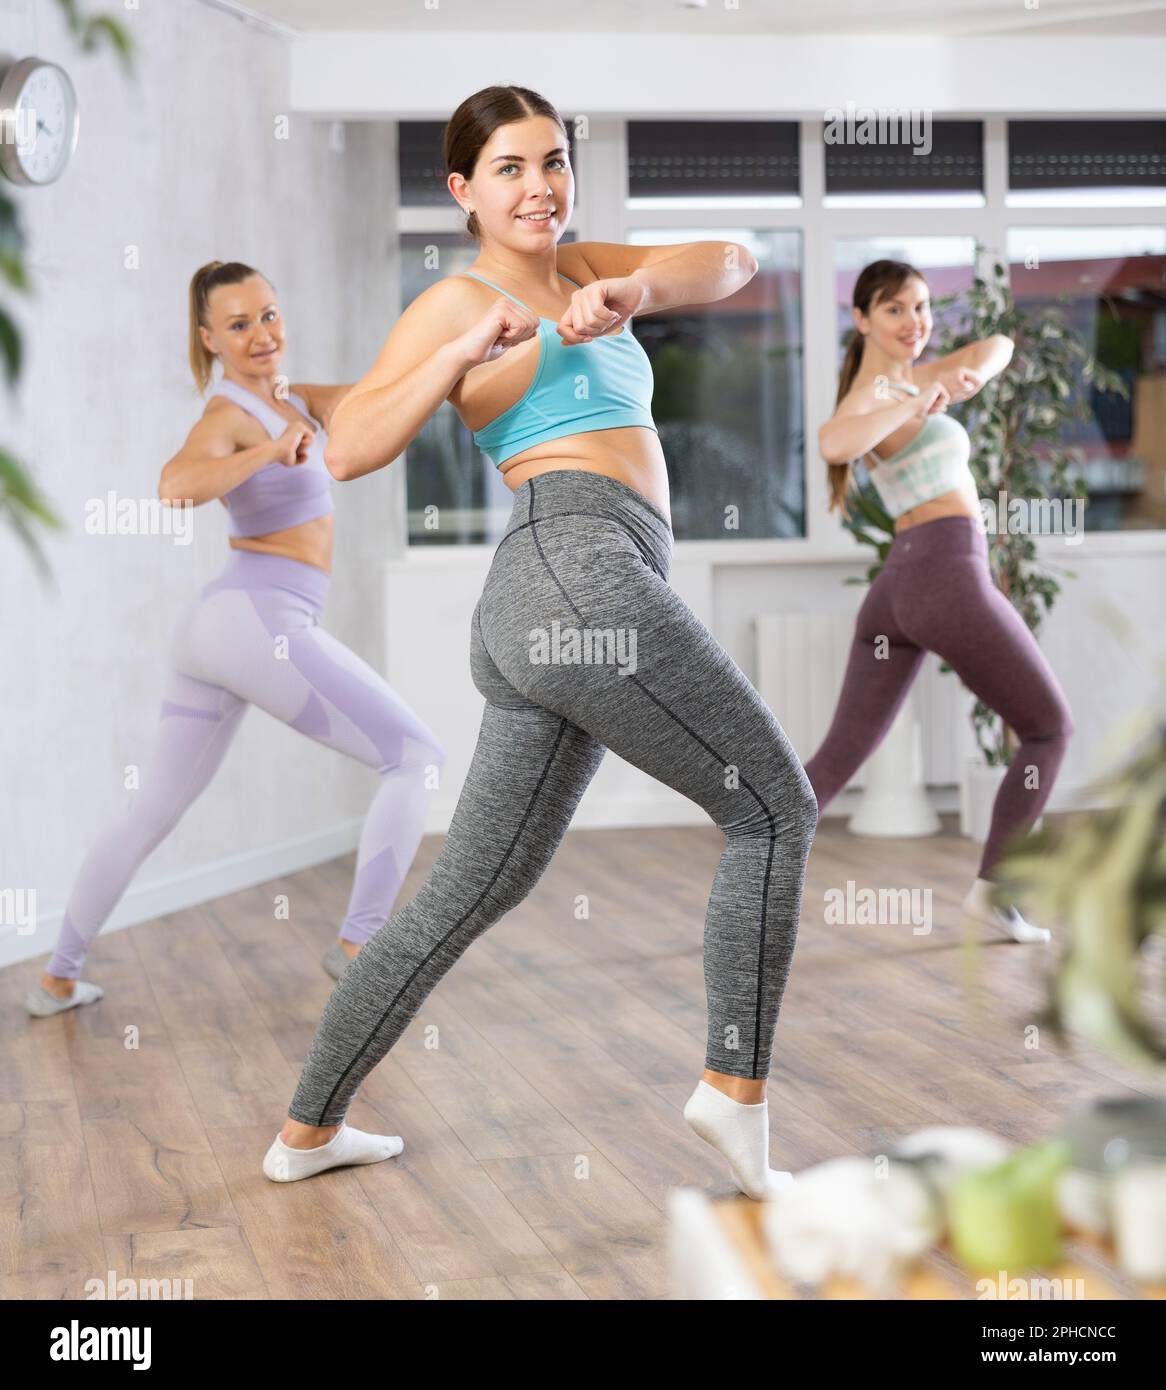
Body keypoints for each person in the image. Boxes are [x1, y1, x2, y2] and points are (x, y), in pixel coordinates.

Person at [261, 85, 818, 1200]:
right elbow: (355, 442)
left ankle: (305, 1131)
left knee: (467, 889)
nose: (540, 187)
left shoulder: (579, 271)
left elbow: (733, 258)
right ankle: (731, 1090)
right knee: (772, 806)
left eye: (553, 162)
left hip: (561, 592)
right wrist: (464, 346)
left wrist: (632, 287)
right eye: (510, 168)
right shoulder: (454, 299)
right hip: (573, 566)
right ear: (462, 191)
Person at [27, 261, 446, 1017]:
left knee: (150, 810)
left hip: (223, 629)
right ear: (208, 338)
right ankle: (358, 946)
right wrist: (268, 449)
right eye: (241, 324)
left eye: (270, 314)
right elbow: (174, 486)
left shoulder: (286, 396)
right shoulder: (226, 416)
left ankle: (58, 974)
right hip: (258, 621)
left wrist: (458, 353)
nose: (263, 334)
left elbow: (376, 401)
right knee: (413, 756)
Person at [807, 258, 1074, 943]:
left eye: (922, 307)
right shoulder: (874, 397)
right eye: (895, 308)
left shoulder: (922, 377)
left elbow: (999, 345)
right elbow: (833, 441)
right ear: (861, 318)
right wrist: (912, 402)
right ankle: (996, 892)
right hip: (946, 574)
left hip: (899, 587)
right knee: (1049, 729)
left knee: (836, 759)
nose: (914, 323)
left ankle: (753, 867)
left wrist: (966, 379)